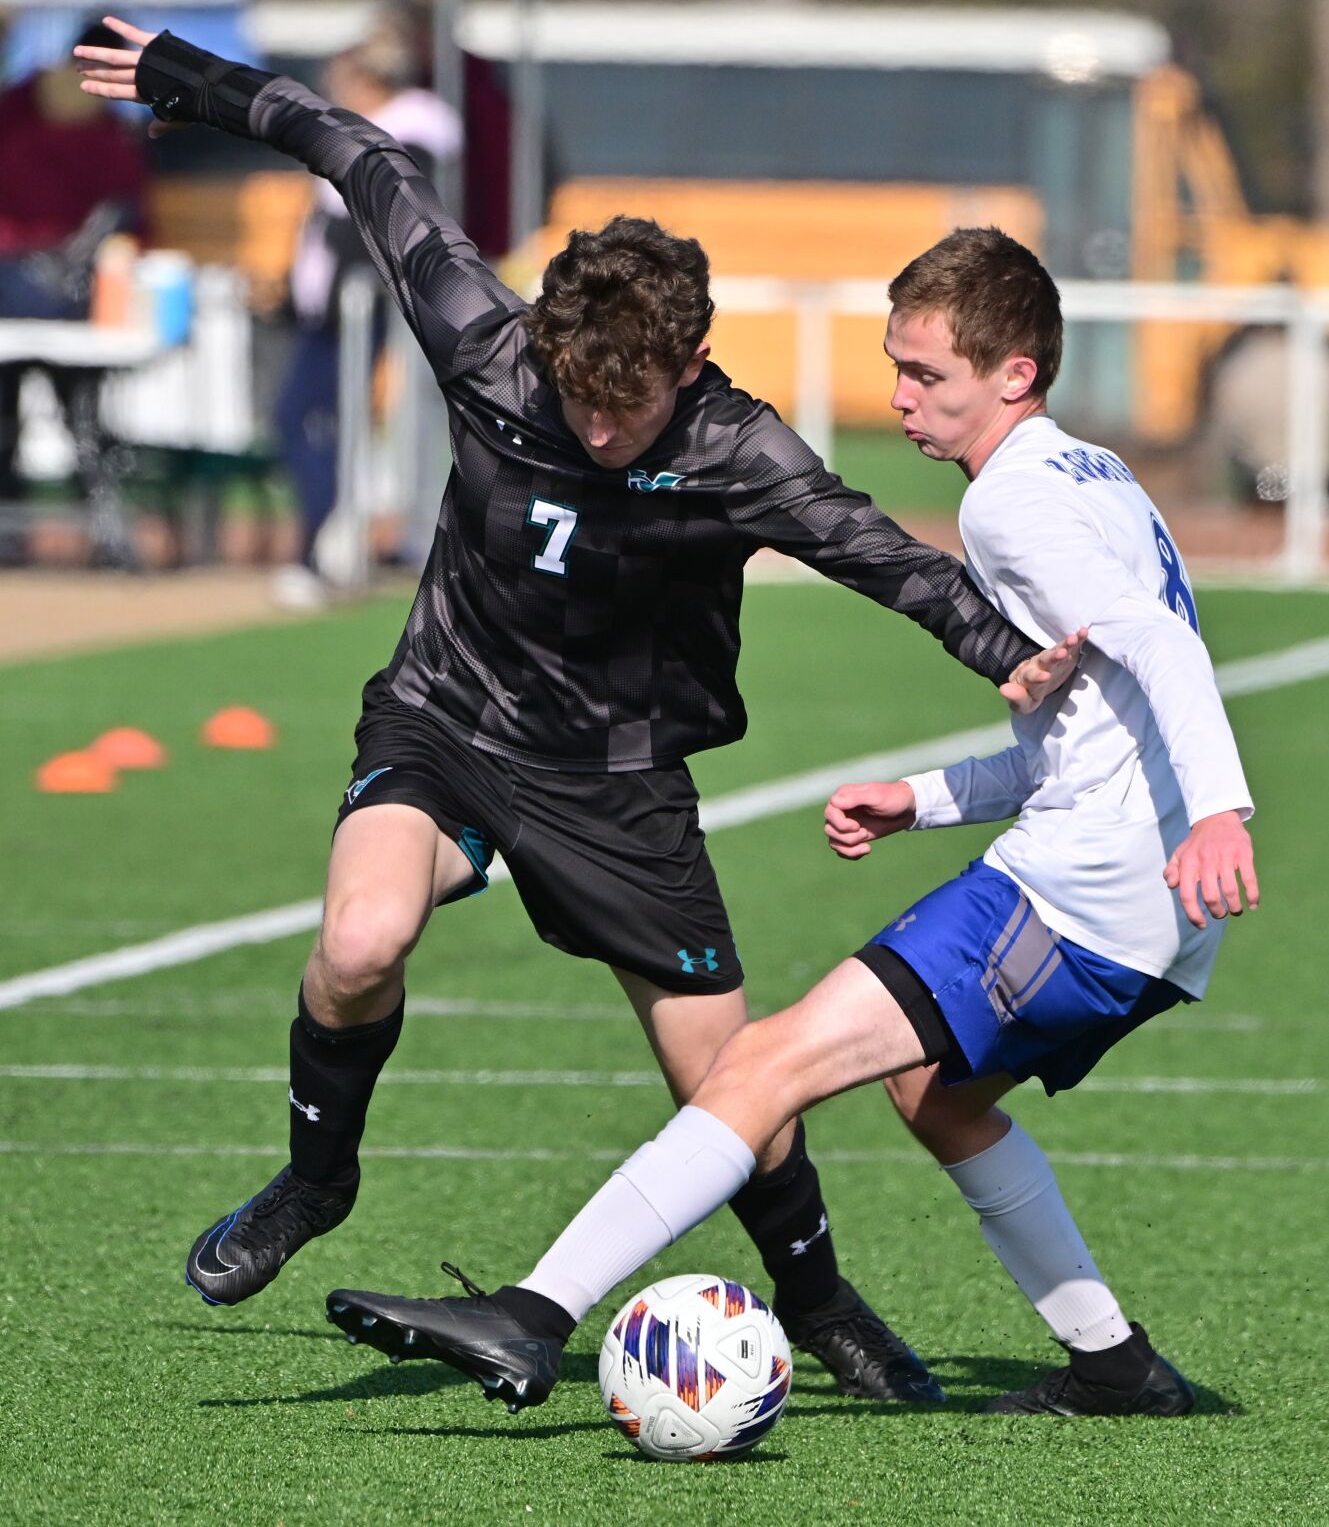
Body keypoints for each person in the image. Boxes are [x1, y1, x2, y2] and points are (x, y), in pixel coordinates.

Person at [76, 25, 1075, 1404]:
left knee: (728, 1084)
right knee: (360, 936)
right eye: (580, 395)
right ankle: (317, 1176)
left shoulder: (735, 447)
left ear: (692, 361)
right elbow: (354, 152)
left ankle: (822, 1299)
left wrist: (999, 648)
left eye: (632, 403)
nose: (600, 427)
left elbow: (876, 551)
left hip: (614, 778)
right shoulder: (489, 350)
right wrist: (191, 78)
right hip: (447, 717)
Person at [318, 228, 1258, 1419]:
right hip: (1147, 900)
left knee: (761, 1063)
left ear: (1014, 374)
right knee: (937, 1097)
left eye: (925, 377)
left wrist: (1221, 811)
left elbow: (1164, 651)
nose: (898, 397)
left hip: (1087, 889)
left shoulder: (1015, 505)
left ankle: (530, 1315)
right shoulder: (1097, 475)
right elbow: (1091, 729)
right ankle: (1115, 1367)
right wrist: (921, 799)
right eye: (894, 365)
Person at [272, 31, 462, 610]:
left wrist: (337, 245)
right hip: (332, 308)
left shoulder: (412, 128)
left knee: (315, 420)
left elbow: (390, 215)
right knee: (311, 421)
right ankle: (321, 544)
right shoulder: (375, 129)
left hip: (362, 309)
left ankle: (319, 548)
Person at [0, 20, 148, 562]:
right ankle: (102, 535)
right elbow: (129, 207)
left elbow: (125, 207)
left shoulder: (34, 109)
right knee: (78, 416)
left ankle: (36, 537)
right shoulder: (96, 123)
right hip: (49, 286)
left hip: (42, 284)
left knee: (57, 417)